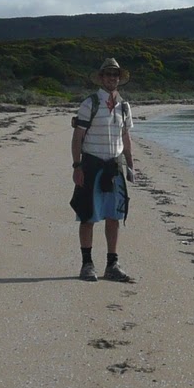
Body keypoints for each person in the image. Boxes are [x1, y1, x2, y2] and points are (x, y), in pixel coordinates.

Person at [69, 57, 136, 283]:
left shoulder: (124, 107)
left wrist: (131, 166)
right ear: (101, 78)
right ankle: (87, 264)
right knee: (87, 216)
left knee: (113, 216)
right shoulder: (90, 103)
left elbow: (125, 137)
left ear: (119, 79)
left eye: (115, 75)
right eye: (108, 74)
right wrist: (77, 165)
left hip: (114, 168)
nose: (112, 78)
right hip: (91, 165)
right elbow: (77, 137)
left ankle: (111, 265)